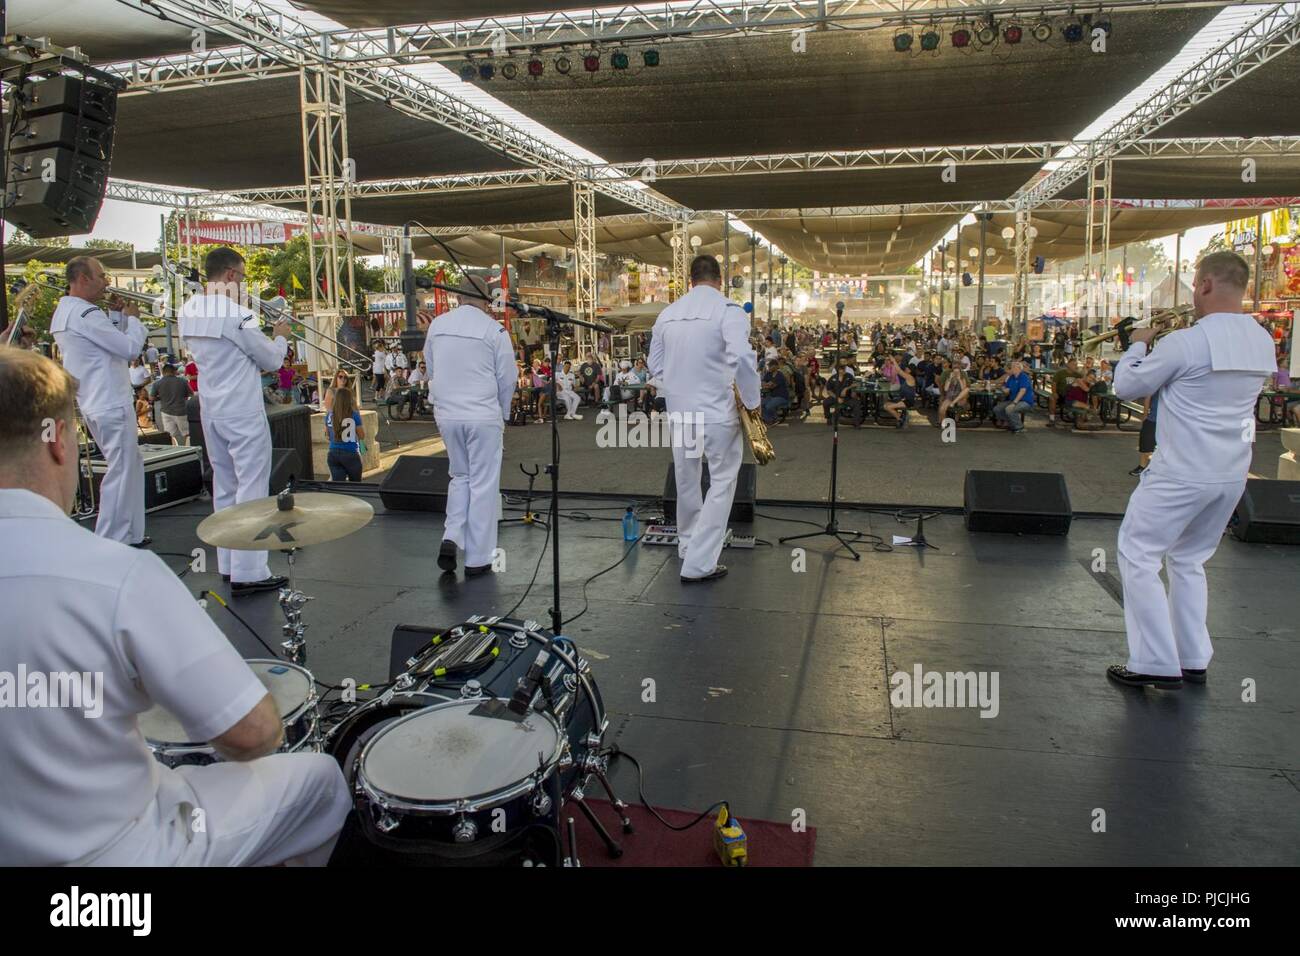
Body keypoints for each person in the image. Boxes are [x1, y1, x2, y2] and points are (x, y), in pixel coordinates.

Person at [0, 347, 350, 867]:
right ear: (55, 443)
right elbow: (249, 735)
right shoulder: (114, 574)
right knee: (319, 781)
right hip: (116, 856)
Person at [1108, 251, 1277, 689]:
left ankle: (1155, 662)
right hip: (1231, 474)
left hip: (1180, 472)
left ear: (1204, 285)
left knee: (1138, 554)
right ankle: (1193, 656)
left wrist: (1139, 343)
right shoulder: (1262, 341)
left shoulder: (1184, 342)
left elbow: (1126, 386)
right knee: (1189, 559)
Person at [178, 247, 290, 596]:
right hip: (242, 409)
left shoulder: (187, 309)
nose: (244, 284)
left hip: (211, 409)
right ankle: (250, 571)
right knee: (252, 488)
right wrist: (282, 333)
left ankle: (227, 562)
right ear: (229, 275)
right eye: (242, 277)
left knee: (224, 487)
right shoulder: (239, 314)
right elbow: (270, 359)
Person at [649, 254, 761, 584]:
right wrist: (752, 403)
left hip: (682, 413)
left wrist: (677, 389)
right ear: (721, 279)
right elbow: (742, 357)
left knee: (687, 479)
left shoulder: (667, 314)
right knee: (723, 483)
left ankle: (687, 545)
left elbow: (655, 367)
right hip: (717, 412)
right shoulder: (729, 311)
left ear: (689, 281)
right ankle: (699, 563)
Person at [419, 273, 516, 577]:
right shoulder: (494, 330)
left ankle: (451, 536)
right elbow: (508, 378)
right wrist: (503, 413)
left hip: (448, 416)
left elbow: (431, 368)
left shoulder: (437, 326)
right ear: (486, 300)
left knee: (459, 476)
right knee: (483, 485)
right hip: (483, 416)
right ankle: (477, 559)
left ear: (456, 297)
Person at [49, 256, 149, 547]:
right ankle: (111, 539)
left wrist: (118, 318)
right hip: (110, 400)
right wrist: (134, 319)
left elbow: (107, 347)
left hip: (97, 399)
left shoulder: (67, 312)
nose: (106, 282)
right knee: (120, 470)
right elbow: (129, 349)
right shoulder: (85, 314)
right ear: (83, 279)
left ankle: (131, 532)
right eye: (101, 276)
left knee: (131, 464)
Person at [325, 381, 365, 481]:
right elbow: (361, 435)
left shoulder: (329, 415)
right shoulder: (354, 414)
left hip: (333, 453)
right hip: (350, 452)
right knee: (355, 485)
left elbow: (327, 435)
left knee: (339, 486)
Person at [150, 363, 192, 445]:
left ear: (163, 372)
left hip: (166, 412)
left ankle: (174, 451)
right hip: (181, 411)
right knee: (187, 433)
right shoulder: (182, 381)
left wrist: (160, 397)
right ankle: (189, 450)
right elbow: (191, 394)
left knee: (170, 435)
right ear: (174, 371)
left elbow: (151, 398)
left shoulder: (157, 383)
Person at [993, 359, 1033, 434]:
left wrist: (1014, 403)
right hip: (1013, 400)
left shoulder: (1023, 377)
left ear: (1017, 369)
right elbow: (1005, 388)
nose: (1010, 369)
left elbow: (1022, 391)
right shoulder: (1011, 377)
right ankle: (1011, 423)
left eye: (1011, 368)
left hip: (1025, 401)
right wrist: (1004, 389)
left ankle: (1019, 427)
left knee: (1009, 409)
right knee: (997, 409)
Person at [761, 358, 790, 424]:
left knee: (768, 406)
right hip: (772, 396)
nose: (769, 367)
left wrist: (767, 384)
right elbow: (762, 382)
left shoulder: (780, 375)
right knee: (760, 404)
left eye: (771, 366)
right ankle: (769, 419)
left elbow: (772, 386)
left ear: (776, 366)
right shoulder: (768, 374)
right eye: (769, 366)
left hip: (781, 397)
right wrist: (767, 384)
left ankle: (773, 419)